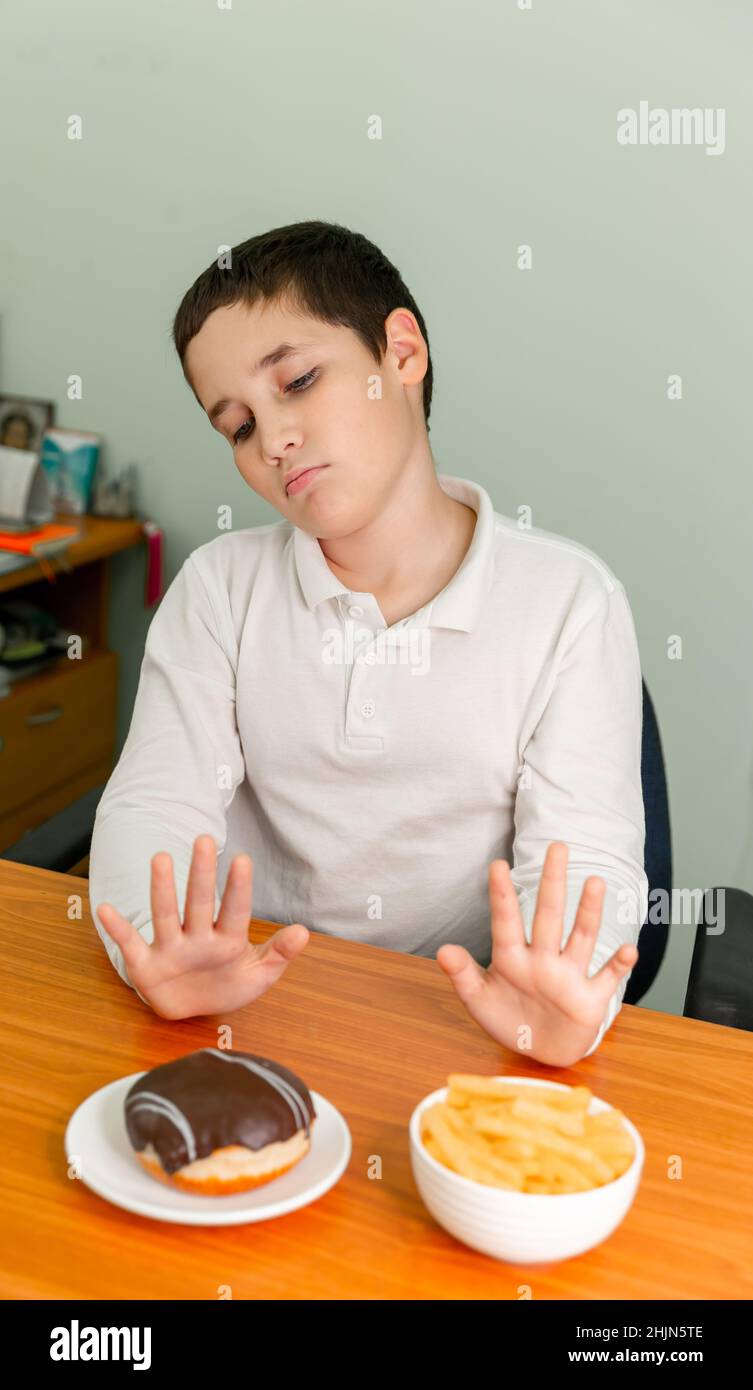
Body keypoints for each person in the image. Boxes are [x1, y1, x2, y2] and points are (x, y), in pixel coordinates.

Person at [89, 220, 648, 1067]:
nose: (273, 441)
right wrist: (155, 953)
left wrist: (563, 996)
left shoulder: (570, 602)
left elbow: (584, 855)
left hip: (458, 1026)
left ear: (401, 353)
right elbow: (152, 809)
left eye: (300, 380)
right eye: (236, 427)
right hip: (248, 1010)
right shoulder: (218, 589)